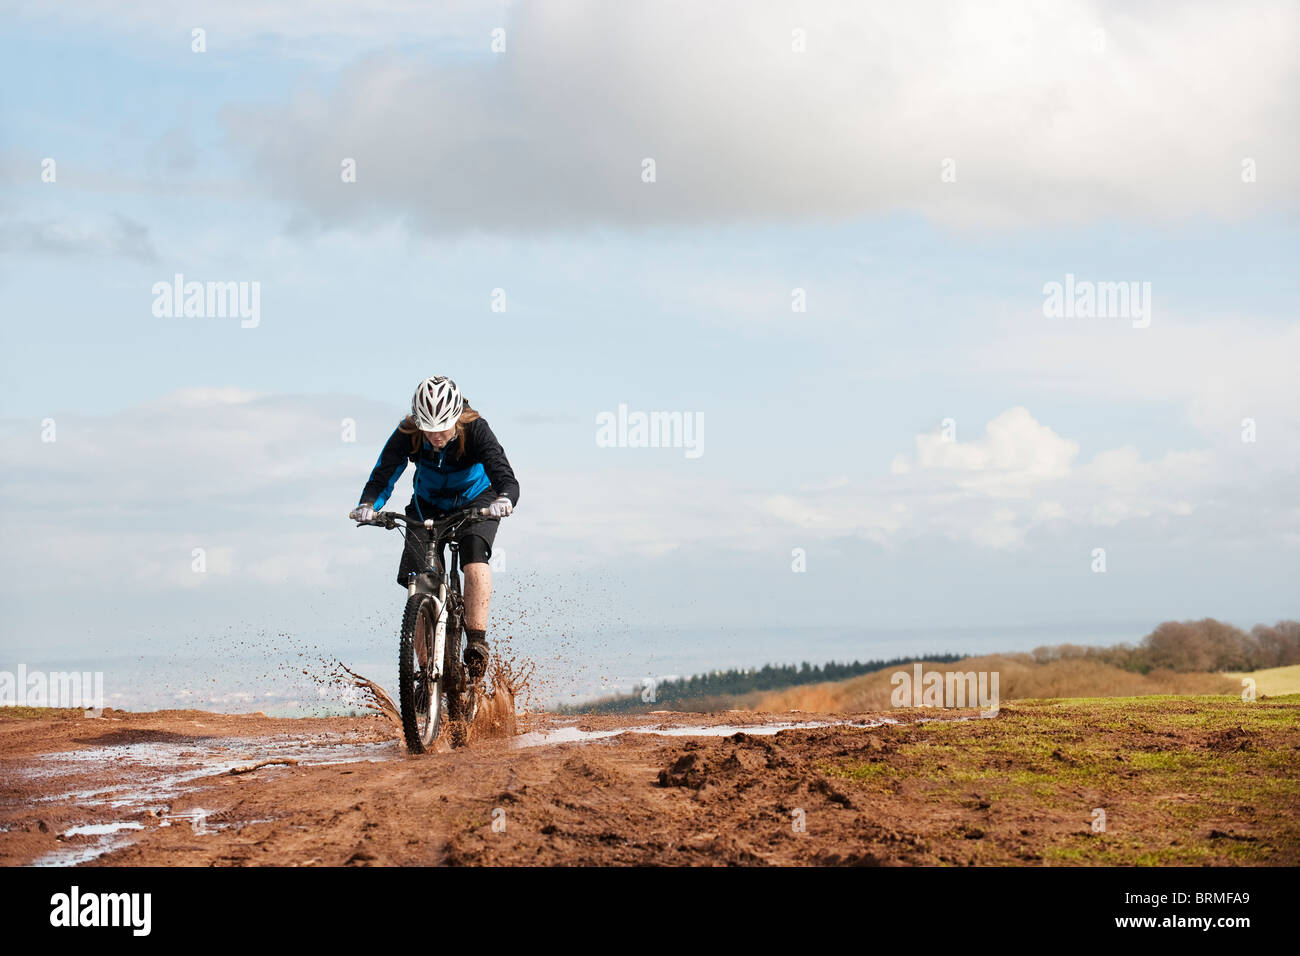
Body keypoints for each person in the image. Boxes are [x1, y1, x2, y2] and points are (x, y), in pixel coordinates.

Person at [349, 376, 519, 681]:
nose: (435, 436)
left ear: (455, 418)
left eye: (442, 428)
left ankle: (477, 643)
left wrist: (505, 499)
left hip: (476, 502)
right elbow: (383, 474)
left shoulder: (476, 429)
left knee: (474, 557)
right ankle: (426, 673)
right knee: (418, 579)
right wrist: (368, 505)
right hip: (427, 505)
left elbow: (505, 476)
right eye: (428, 429)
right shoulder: (408, 432)